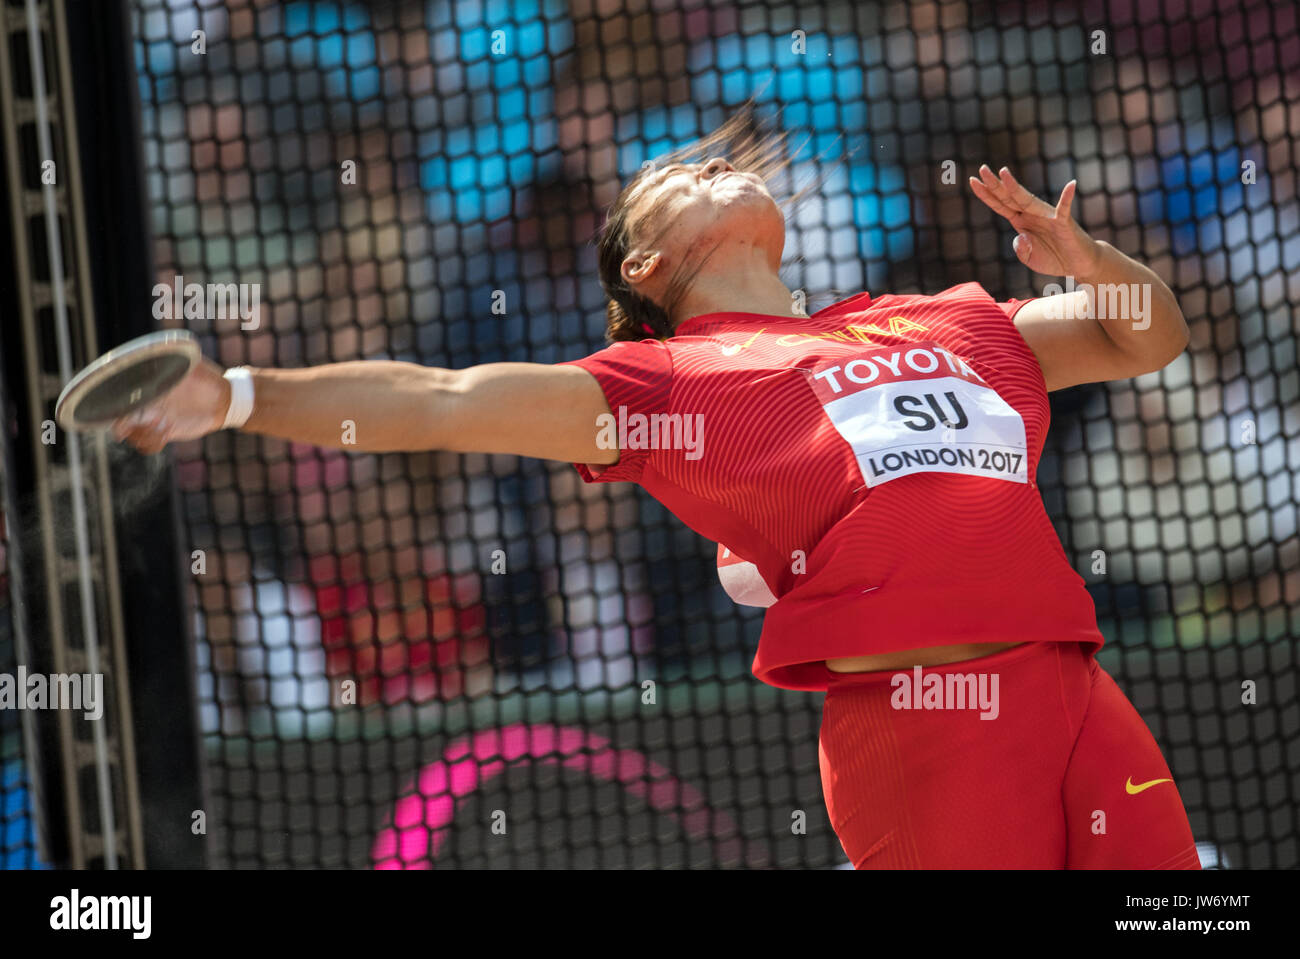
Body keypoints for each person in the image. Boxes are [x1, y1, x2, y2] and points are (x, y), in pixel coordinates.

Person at [111, 106, 1198, 869]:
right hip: (927, 716)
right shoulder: (662, 383)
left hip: (1072, 685)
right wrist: (240, 392)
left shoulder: (939, 317)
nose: (702, 164)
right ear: (646, 267)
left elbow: (1143, 336)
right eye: (668, 184)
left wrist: (1092, 257)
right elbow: (439, 398)